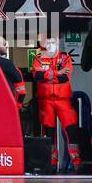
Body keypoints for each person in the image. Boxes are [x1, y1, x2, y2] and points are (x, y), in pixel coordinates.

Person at [31, 36, 82, 171]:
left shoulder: (65, 58)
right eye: (48, 42)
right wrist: (57, 73)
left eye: (53, 42)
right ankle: (51, 163)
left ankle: (76, 163)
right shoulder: (39, 58)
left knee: (71, 131)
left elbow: (65, 77)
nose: (51, 44)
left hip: (63, 100)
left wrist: (48, 76)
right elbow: (36, 76)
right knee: (49, 133)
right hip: (46, 100)